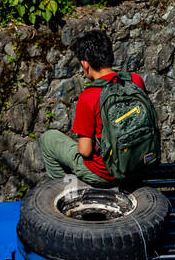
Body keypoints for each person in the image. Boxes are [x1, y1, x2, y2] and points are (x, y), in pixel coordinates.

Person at [37, 29, 148, 187]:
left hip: (106, 174)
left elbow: (85, 151)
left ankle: (67, 192)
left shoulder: (89, 96)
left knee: (49, 139)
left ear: (85, 64)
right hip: (140, 166)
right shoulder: (135, 81)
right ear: (111, 56)